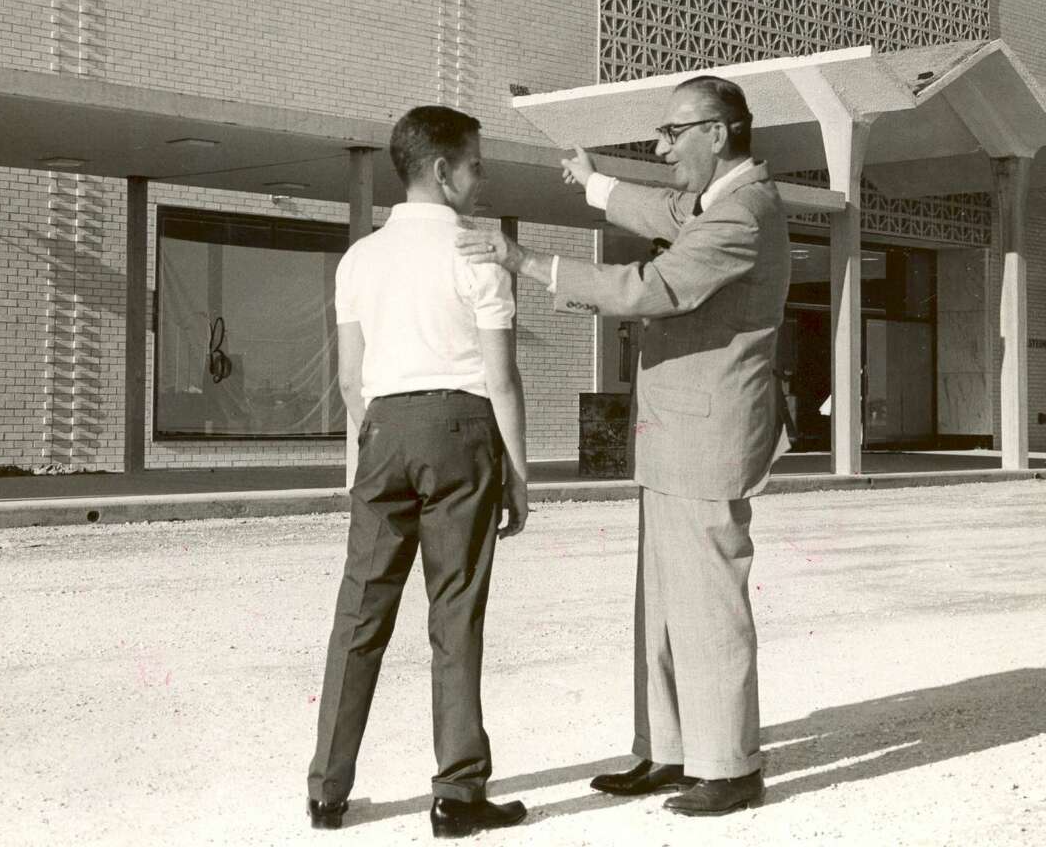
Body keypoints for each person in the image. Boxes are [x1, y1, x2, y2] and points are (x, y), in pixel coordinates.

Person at [457, 75, 790, 818]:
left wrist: (529, 263)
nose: (663, 148)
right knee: (666, 607)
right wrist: (596, 184)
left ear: (722, 132)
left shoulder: (743, 213)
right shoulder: (717, 201)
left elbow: (654, 288)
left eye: (674, 134)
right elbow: (668, 207)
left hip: (708, 438)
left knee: (707, 607)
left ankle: (731, 766)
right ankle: (672, 751)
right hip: (680, 435)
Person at [307, 105, 530, 838]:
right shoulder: (476, 256)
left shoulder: (360, 258)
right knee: (455, 613)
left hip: (382, 430)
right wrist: (519, 472)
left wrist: (365, 456)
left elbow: (348, 379)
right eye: (475, 163)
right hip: (463, 431)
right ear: (442, 170)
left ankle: (328, 789)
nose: (481, 176)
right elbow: (502, 378)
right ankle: (457, 793)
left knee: (360, 614)